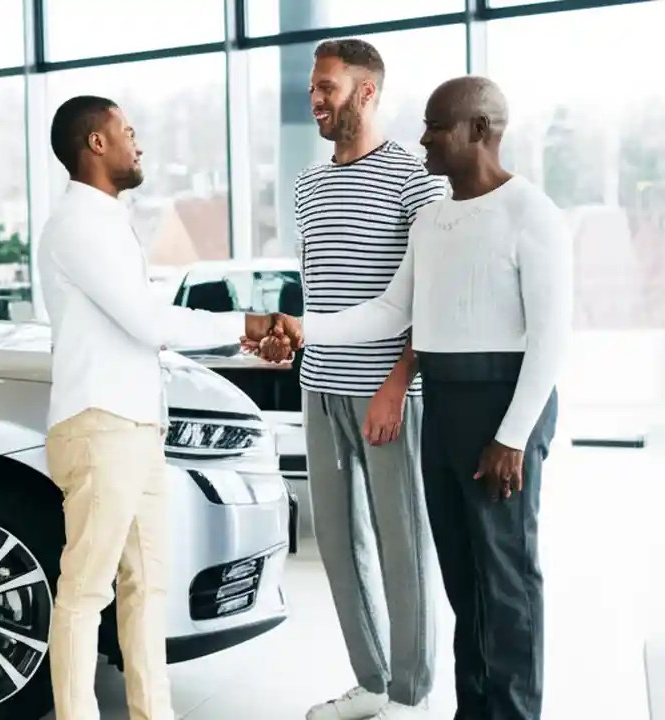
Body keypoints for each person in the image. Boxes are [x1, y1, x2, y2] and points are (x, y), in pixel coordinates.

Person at [255, 75, 573, 720]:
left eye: (437, 126)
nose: (424, 137)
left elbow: (550, 339)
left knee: (507, 578)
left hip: (504, 403)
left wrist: (512, 436)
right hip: (448, 401)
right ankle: (474, 709)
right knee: (462, 575)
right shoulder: (432, 218)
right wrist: (306, 326)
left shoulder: (530, 212)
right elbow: (389, 309)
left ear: (479, 130)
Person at [38, 95, 295, 720]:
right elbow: (147, 320)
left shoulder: (104, 221)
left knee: (148, 586)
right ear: (95, 145)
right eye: (128, 131)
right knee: (85, 590)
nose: (138, 142)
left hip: (135, 429)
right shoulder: (78, 224)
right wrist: (249, 322)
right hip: (101, 427)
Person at [293, 38, 446, 720]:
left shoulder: (418, 180)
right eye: (314, 87)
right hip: (318, 385)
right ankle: (374, 680)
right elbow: (325, 289)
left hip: (389, 392)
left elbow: (428, 298)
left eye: (327, 86)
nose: (315, 98)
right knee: (336, 542)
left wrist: (398, 379)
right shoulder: (309, 185)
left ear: (367, 91)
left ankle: (412, 693)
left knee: (401, 544)